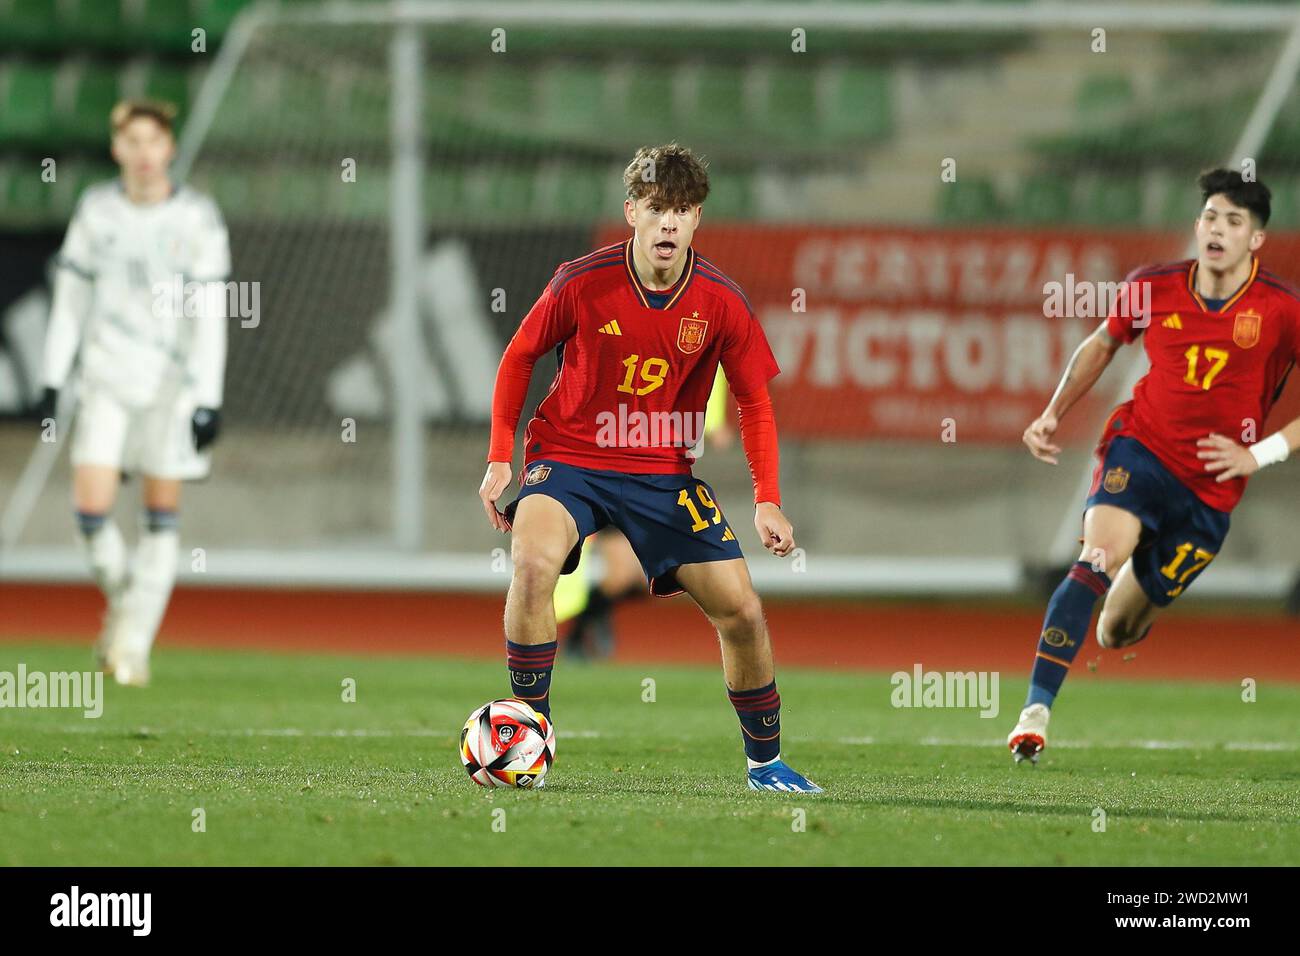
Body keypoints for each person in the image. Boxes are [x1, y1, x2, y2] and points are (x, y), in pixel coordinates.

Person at [478, 143, 820, 792]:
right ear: (632, 211)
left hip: (663, 476)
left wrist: (767, 497)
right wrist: (501, 455)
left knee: (743, 612)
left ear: (697, 219)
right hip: (569, 459)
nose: (669, 222)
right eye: (658, 207)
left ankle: (766, 764)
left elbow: (753, 401)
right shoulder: (581, 281)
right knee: (532, 565)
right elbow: (520, 355)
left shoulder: (721, 301)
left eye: (683, 210)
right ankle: (530, 735)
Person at [1009, 168, 1299, 762]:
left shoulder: (1282, 308)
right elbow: (1103, 343)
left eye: (1233, 221)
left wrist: (1258, 453)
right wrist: (1053, 412)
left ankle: (1135, 574)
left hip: (1211, 492)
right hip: (1140, 451)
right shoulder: (1153, 286)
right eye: (1210, 217)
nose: (1217, 229)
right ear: (1197, 225)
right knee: (1094, 558)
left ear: (1256, 240)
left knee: (1115, 633)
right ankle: (1034, 713)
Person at [39, 99, 231, 687]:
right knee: (91, 512)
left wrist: (208, 396)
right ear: (116, 148)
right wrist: (52, 375)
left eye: (153, 141)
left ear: (169, 148)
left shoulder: (197, 217)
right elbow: (70, 301)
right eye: (132, 141)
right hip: (105, 378)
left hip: (172, 386)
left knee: (159, 515)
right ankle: (128, 605)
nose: (144, 153)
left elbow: (211, 314)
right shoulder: (97, 212)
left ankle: (132, 648)